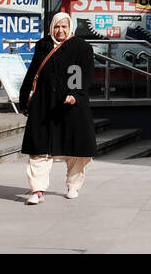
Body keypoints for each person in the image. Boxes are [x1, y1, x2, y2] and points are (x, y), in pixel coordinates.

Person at [19, 12, 96, 204]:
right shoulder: (43, 45)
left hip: (69, 105)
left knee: (76, 149)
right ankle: (37, 191)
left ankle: (73, 185)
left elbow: (80, 74)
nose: (60, 30)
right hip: (43, 104)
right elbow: (32, 72)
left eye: (64, 26)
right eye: (56, 27)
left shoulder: (80, 47)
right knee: (39, 148)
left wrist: (75, 95)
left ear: (70, 27)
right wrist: (24, 98)